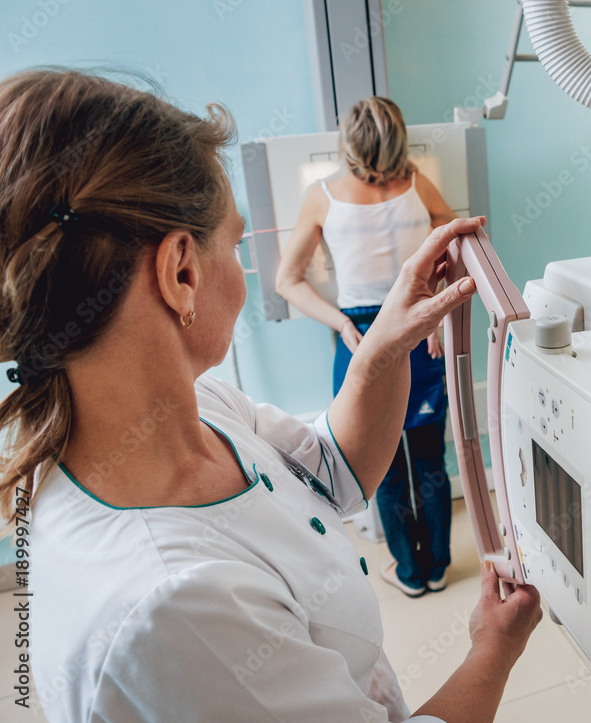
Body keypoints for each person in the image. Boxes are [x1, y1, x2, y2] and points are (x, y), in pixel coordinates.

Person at [0, 69, 541, 723]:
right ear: (181, 272)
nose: (244, 264)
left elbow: (331, 465)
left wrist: (387, 338)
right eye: (234, 241)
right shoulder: (176, 609)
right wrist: (493, 646)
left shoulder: (202, 410)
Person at [276, 97, 457, 597]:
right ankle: (438, 566)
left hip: (361, 337)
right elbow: (461, 243)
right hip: (418, 327)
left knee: (381, 464)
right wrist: (437, 312)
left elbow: (287, 280)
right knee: (429, 457)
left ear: (347, 143)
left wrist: (339, 322)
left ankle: (410, 573)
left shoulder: (321, 195)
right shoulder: (416, 182)